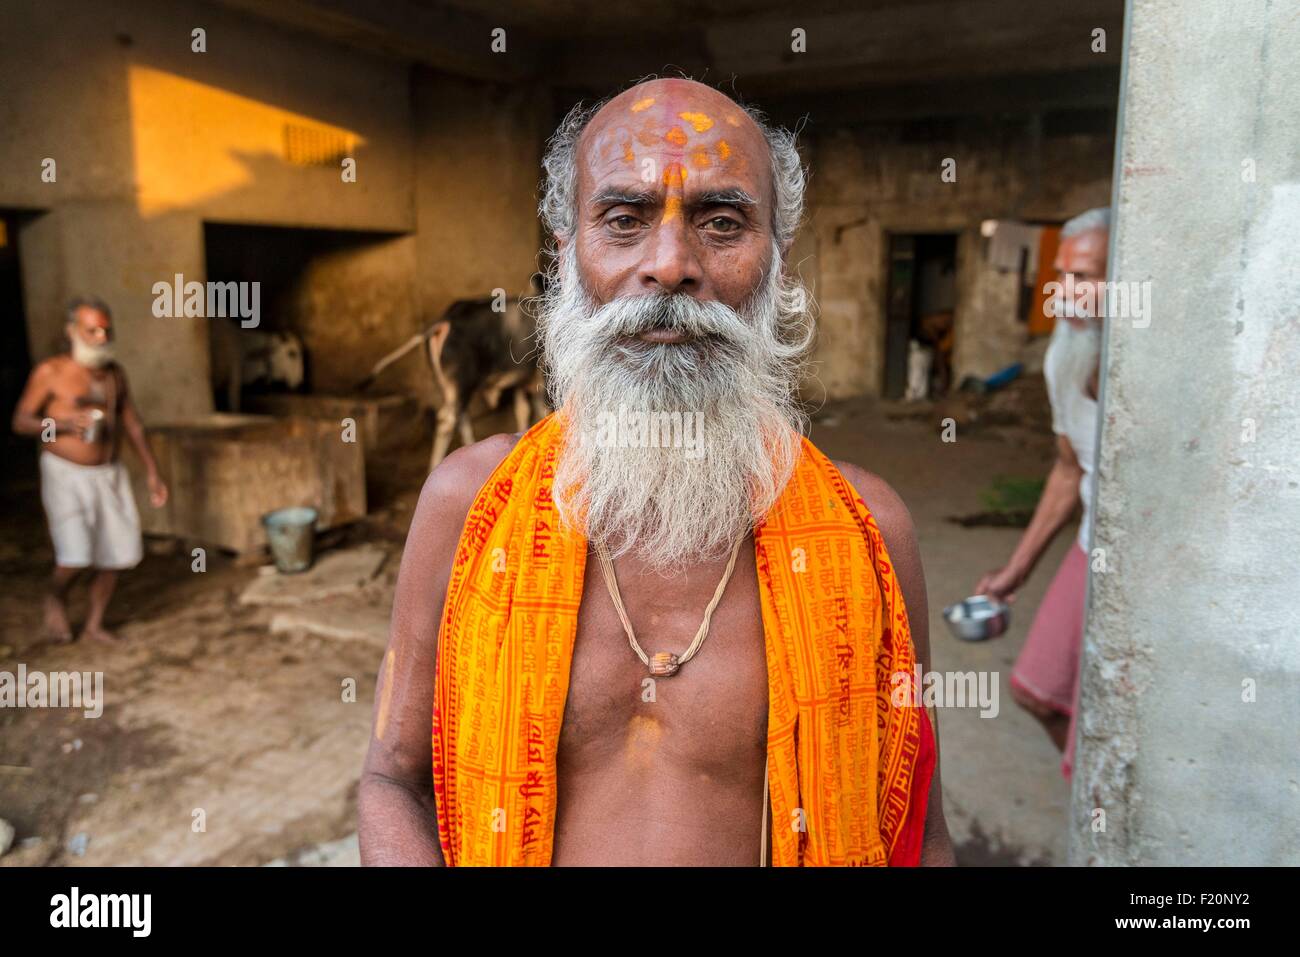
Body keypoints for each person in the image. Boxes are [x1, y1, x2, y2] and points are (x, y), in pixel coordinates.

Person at [359, 78, 953, 866]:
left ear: (776, 259)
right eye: (624, 219)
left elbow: (922, 831)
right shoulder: (469, 506)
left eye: (721, 221)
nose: (670, 265)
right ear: (568, 258)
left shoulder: (866, 529)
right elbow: (392, 782)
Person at [973, 208, 1110, 779]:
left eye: (1089, 277)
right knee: (1036, 690)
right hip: (1089, 543)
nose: (1068, 293)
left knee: (1108, 725)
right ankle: (1094, 794)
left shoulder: (1157, 371)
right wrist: (1017, 571)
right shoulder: (1064, 355)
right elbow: (1068, 468)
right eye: (1063, 274)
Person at [12, 297, 168, 643]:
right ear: (72, 332)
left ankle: (95, 625)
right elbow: (21, 423)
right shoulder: (51, 373)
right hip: (65, 474)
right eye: (91, 330)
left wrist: (153, 473)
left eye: (106, 330)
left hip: (108, 474)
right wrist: (62, 426)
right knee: (76, 554)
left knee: (117, 553)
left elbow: (134, 425)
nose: (101, 337)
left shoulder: (115, 374)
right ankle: (55, 596)